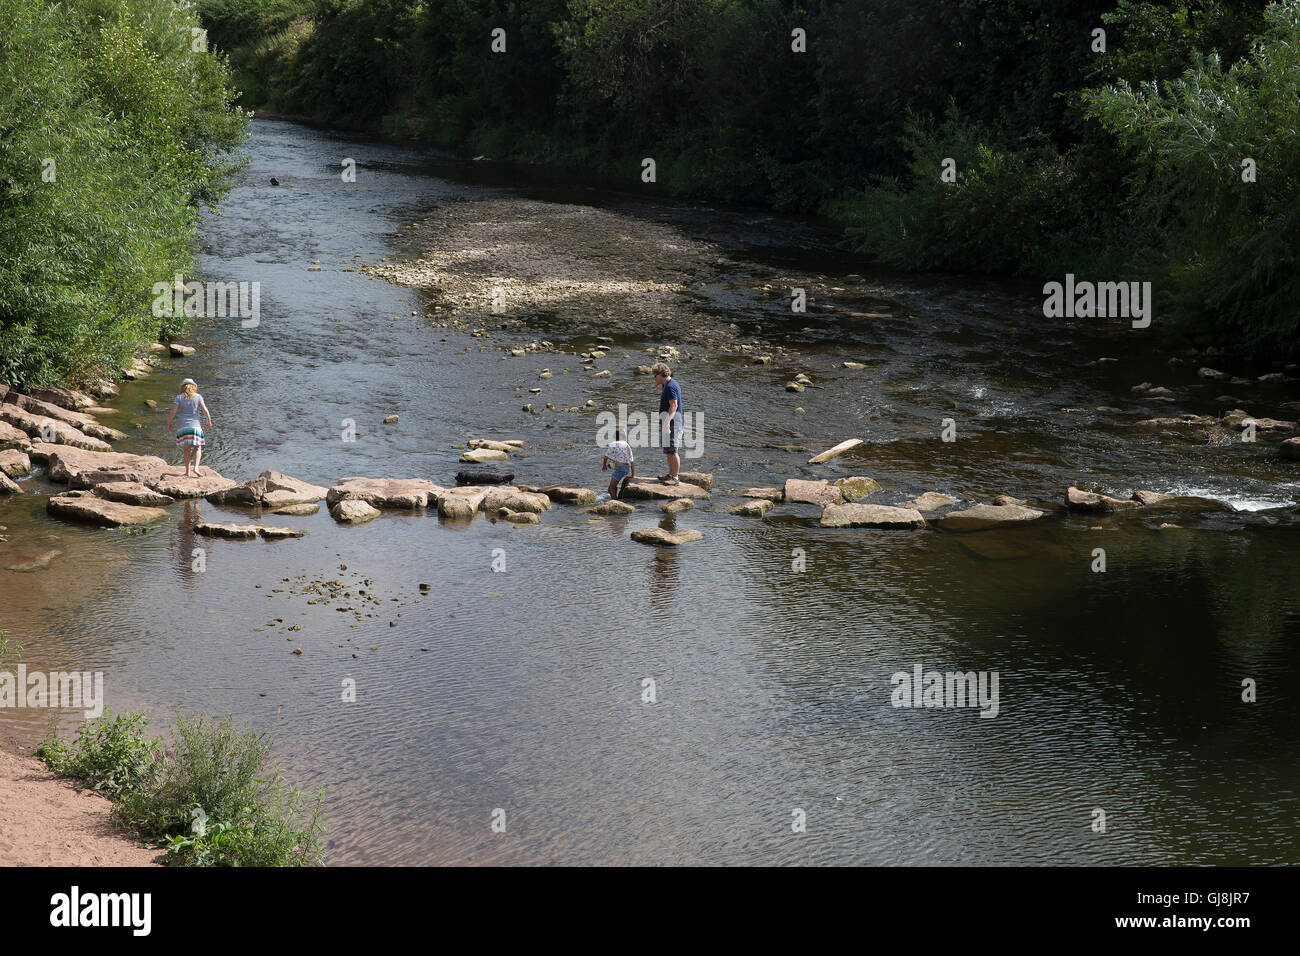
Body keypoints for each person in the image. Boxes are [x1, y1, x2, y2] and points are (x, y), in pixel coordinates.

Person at [166, 377, 212, 477]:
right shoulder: (198, 397)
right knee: (197, 448)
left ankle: (187, 472)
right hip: (196, 426)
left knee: (186, 449)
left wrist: (169, 422)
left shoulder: (179, 398)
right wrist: (209, 420)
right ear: (194, 387)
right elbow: (205, 410)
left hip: (183, 427)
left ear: (182, 387)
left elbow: (173, 412)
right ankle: (196, 468)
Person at [652, 362, 682, 484]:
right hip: (669, 423)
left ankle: (675, 477)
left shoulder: (671, 386)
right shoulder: (667, 385)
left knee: (673, 450)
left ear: (660, 374)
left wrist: (667, 423)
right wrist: (657, 383)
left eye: (655, 376)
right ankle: (671, 474)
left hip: (673, 423)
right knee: (668, 450)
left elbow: (674, 406)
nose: (653, 378)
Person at [602, 429, 636, 499]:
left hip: (619, 469)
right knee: (614, 487)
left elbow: (605, 457)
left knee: (610, 489)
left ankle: (615, 502)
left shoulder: (613, 444)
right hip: (626, 469)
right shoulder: (627, 445)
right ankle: (617, 497)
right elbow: (632, 461)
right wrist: (632, 475)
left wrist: (604, 466)